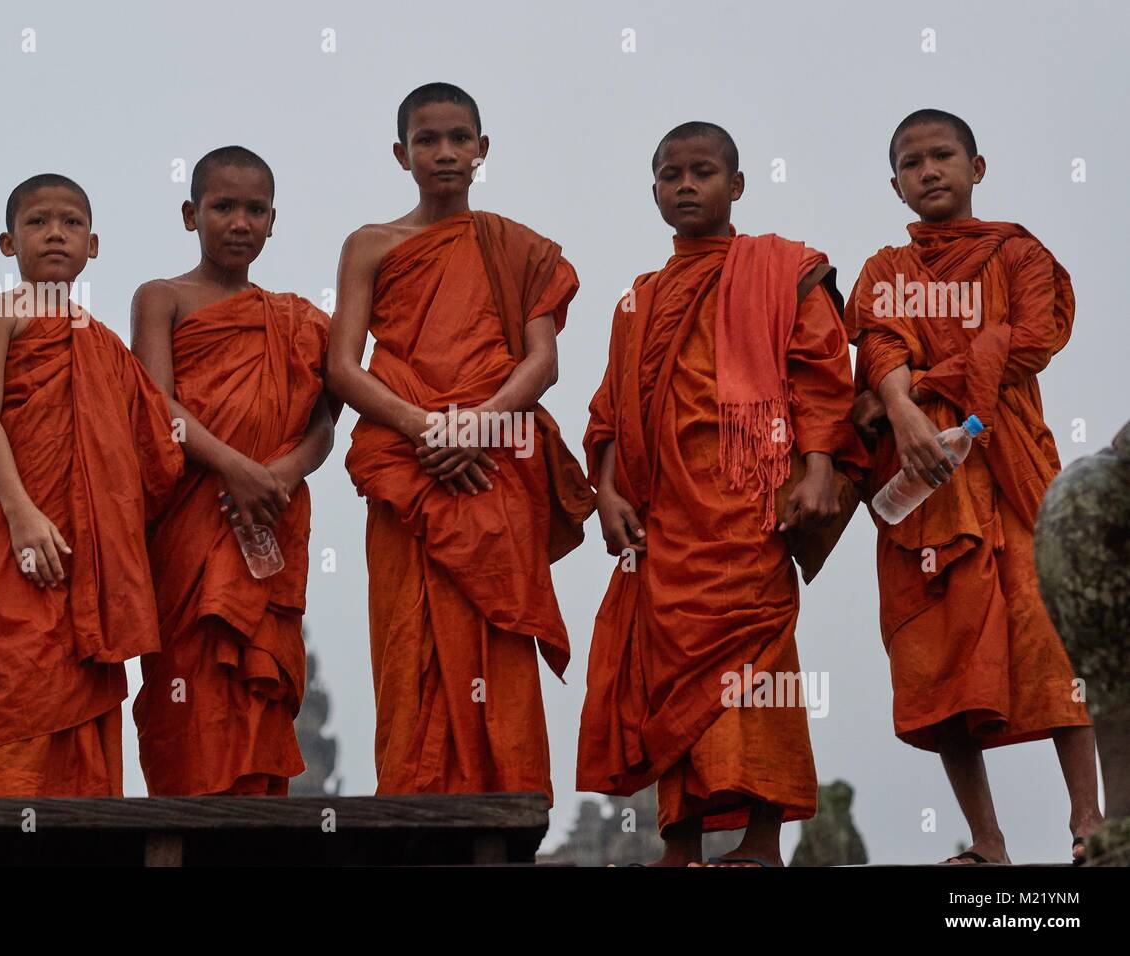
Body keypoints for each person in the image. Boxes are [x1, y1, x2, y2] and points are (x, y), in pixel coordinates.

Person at [577, 123, 863, 866]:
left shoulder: (783, 270)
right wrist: (607, 493)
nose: (685, 186)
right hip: (666, 520)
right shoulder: (637, 301)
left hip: (749, 507)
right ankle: (683, 842)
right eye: (670, 175)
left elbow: (823, 371)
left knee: (756, 672)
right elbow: (607, 412)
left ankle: (762, 841)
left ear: (736, 186)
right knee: (667, 680)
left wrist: (820, 467)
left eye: (702, 172)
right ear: (654, 193)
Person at [845, 109, 1101, 864]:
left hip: (1014, 469)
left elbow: (1031, 341)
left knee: (1055, 642)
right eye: (912, 162)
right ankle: (987, 843)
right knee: (941, 656)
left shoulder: (1020, 254)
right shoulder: (885, 271)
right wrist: (902, 407)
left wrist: (922, 383)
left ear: (977, 168)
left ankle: (1090, 825)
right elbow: (879, 346)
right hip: (923, 482)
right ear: (894, 183)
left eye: (942, 156)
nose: (929, 171)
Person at [327, 83, 592, 801]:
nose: (444, 152)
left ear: (483, 149)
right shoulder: (372, 245)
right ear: (401, 153)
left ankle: (503, 807)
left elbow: (544, 362)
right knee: (408, 637)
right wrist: (425, 428)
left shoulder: (517, 248)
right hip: (406, 466)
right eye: (427, 140)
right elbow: (341, 366)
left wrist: (477, 423)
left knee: (495, 632)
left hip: (494, 463)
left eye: (458, 138)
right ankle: (416, 813)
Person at [0, 174, 182, 796]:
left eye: (71, 222)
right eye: (37, 221)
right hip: (12, 545)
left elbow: (151, 457)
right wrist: (22, 515)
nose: (55, 233)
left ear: (94, 244)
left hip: (86, 565)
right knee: (14, 682)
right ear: (8, 243)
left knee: (79, 712)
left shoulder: (106, 348)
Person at [130, 147, 335, 796]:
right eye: (223, 207)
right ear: (191, 214)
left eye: (254, 209)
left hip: (268, 516)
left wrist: (280, 475)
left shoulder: (300, 322)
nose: (239, 222)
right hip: (193, 521)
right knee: (190, 674)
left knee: (258, 673)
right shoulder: (161, 298)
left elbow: (324, 426)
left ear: (274, 220)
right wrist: (235, 467)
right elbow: (156, 403)